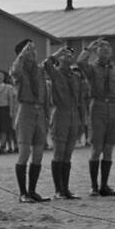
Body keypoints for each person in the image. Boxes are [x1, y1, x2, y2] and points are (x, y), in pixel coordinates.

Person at [77, 38, 115, 196]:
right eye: (101, 47)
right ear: (97, 51)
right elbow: (80, 62)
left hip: (114, 108)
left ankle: (104, 185)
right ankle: (93, 185)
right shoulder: (92, 69)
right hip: (97, 106)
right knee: (96, 148)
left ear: (112, 52)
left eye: (108, 47)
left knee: (108, 149)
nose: (105, 49)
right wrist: (89, 48)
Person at [10, 39, 49, 202]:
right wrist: (21, 55)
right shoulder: (19, 70)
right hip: (25, 110)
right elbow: (15, 70)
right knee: (25, 152)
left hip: (39, 111)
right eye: (29, 51)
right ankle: (23, 193)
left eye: (34, 50)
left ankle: (32, 190)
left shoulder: (38, 70)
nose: (33, 54)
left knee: (38, 153)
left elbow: (45, 91)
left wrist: (46, 114)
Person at [44, 46, 82, 198]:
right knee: (59, 152)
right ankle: (58, 190)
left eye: (70, 56)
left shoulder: (75, 76)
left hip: (73, 115)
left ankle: (66, 189)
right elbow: (47, 64)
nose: (68, 58)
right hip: (60, 113)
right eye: (64, 55)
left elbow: (79, 99)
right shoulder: (56, 74)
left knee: (68, 153)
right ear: (59, 59)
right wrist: (56, 53)